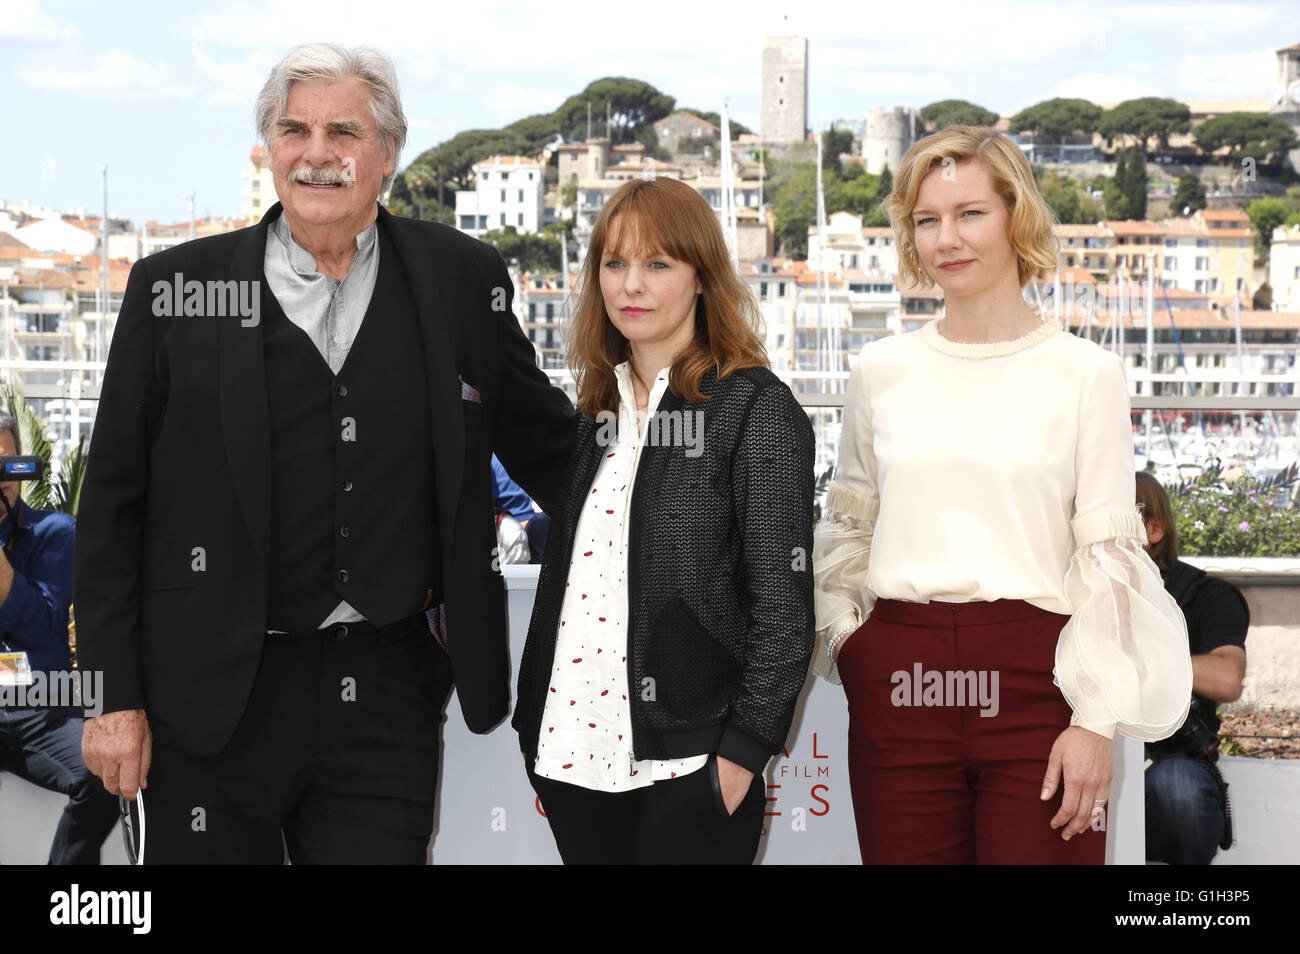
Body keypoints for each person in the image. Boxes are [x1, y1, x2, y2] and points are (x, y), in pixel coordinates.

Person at [74, 43, 575, 864]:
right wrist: (111, 699)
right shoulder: (172, 291)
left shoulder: (460, 280)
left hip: (386, 691)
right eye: (293, 129)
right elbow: (109, 514)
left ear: (387, 154)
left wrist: (697, 476)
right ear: (268, 149)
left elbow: (553, 449)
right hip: (205, 699)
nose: (316, 154)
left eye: (343, 130)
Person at [811, 126, 1193, 864]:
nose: (946, 238)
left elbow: (1109, 557)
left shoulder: (1086, 373)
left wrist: (1097, 718)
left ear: (1017, 217)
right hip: (899, 680)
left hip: (1040, 683)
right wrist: (850, 641)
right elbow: (847, 525)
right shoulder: (880, 369)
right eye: (927, 220)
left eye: (970, 213)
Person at [512, 176, 815, 864]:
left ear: (702, 276)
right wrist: (534, 730)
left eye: (657, 264)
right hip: (570, 756)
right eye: (614, 264)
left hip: (691, 766)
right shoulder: (598, 413)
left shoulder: (752, 408)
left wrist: (742, 752)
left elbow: (783, 606)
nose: (631, 285)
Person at [0, 414, 119, 864]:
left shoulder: (56, 534)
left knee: (102, 778)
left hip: (43, 706)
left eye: (6, 465)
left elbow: (43, 625)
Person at [1136, 472, 1247, 864]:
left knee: (1178, 787)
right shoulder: (1074, 592)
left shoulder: (1206, 597)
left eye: (1117, 518)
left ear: (1154, 528)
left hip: (1172, 761)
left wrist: (1139, 656)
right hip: (1090, 756)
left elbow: (1227, 679)